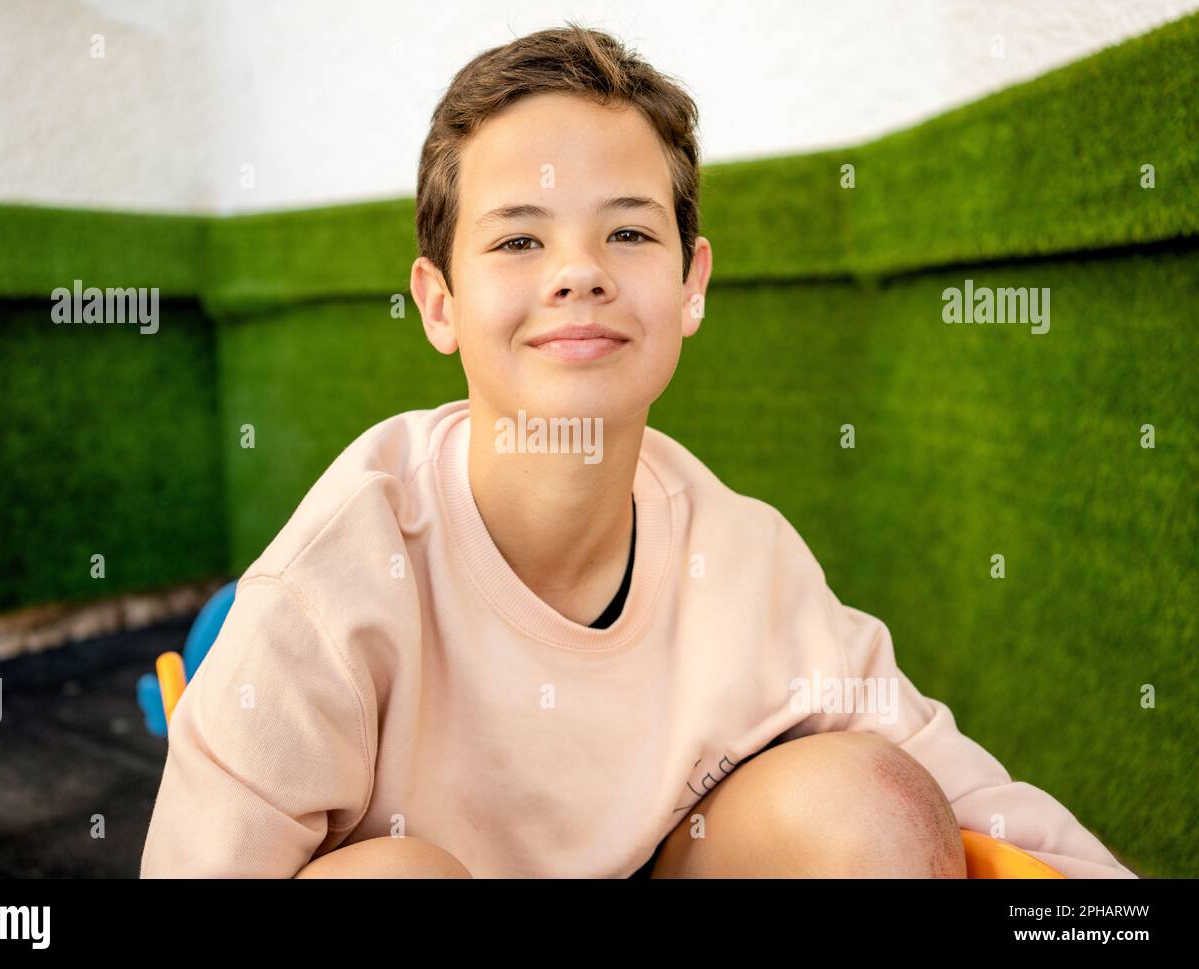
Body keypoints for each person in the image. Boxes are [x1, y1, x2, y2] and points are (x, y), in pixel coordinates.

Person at [140, 22, 1135, 879]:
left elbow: (973, 789)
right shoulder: (335, 588)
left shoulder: (745, 563)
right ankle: (210, 650)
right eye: (519, 241)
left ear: (691, 282)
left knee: (874, 800)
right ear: (438, 302)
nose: (578, 272)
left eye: (626, 232)